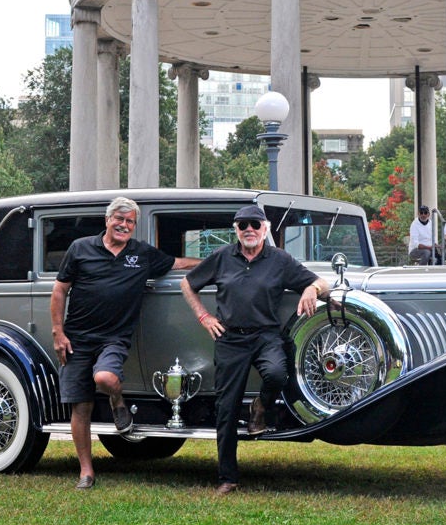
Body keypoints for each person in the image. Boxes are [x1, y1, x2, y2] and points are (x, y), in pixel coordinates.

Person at [51, 197, 199, 490]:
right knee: (80, 407)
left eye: (130, 221)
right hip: (77, 338)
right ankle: (86, 472)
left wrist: (218, 261)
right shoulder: (80, 248)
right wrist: (58, 332)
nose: (124, 225)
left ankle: (118, 402)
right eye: (119, 219)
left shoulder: (141, 254)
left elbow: (178, 263)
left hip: (114, 338)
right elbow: (59, 290)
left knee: (105, 378)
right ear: (107, 220)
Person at [182, 204, 330, 496]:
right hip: (230, 339)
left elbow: (321, 282)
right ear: (235, 229)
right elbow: (188, 284)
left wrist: (312, 290)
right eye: (242, 225)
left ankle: (260, 407)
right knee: (225, 409)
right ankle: (228, 478)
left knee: (277, 375)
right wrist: (204, 317)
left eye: (255, 224)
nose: (249, 229)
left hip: (266, 336)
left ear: (266, 229)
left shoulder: (280, 260)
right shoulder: (222, 257)